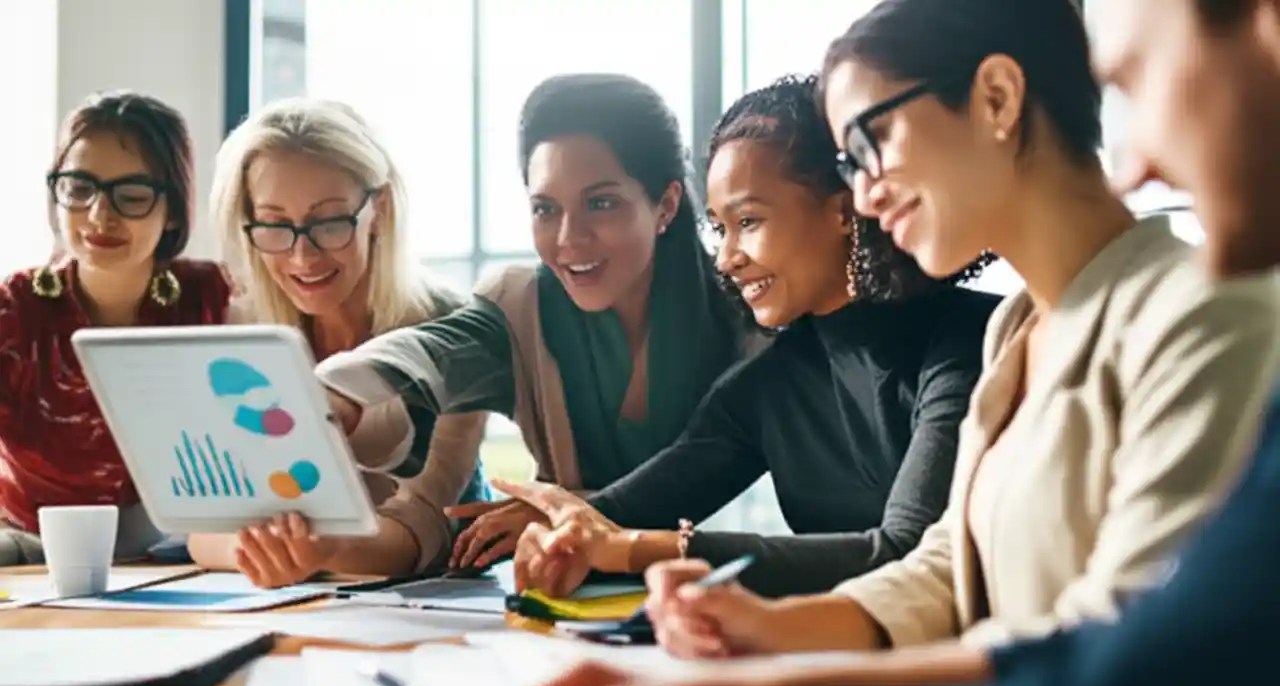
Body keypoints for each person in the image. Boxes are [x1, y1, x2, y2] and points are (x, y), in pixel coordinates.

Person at [497, 1, 1280, 686]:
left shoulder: (1202, 317)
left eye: (870, 143)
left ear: (999, 100)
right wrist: (765, 633)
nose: (863, 197)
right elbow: (945, 572)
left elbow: (1114, 656)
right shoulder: (1016, 330)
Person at [497, 75, 998, 600]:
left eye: (749, 220)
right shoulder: (769, 385)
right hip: (839, 663)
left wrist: (634, 548)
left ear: (845, 210)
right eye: (720, 227)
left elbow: (906, 555)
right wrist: (562, 536)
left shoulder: (969, 344)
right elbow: (620, 516)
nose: (726, 257)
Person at [318, 74, 745, 571]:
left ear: (666, 204)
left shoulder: (742, 316)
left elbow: (696, 474)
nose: (569, 237)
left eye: (600, 203)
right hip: (555, 588)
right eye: (545, 208)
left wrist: (559, 511)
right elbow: (433, 350)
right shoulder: (521, 308)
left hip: (717, 588)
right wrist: (336, 393)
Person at [186, 98, 489, 587]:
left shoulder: (454, 326)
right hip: (292, 604)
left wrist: (317, 550)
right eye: (276, 225)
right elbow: (203, 526)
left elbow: (424, 528)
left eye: (329, 223)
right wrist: (265, 551)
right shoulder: (241, 329)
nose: (302, 256)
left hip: (433, 612)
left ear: (380, 209)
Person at [0, 91, 231, 566]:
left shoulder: (215, 299)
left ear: (172, 210)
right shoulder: (15, 311)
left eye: (131, 196)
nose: (101, 216)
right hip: (37, 556)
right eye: (79, 187)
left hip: (193, 557)